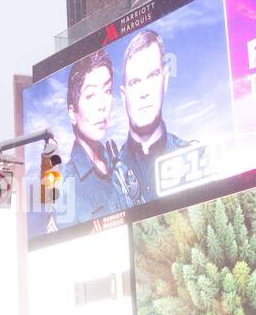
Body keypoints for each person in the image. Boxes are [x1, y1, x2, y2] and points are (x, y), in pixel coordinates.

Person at [115, 29, 198, 206]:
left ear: (165, 80)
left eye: (152, 76)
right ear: (123, 96)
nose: (144, 92)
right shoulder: (110, 177)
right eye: (135, 82)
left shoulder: (193, 159)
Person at [57, 49, 128, 226]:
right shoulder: (65, 187)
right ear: (72, 113)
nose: (102, 105)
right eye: (90, 95)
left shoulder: (121, 167)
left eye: (107, 91)